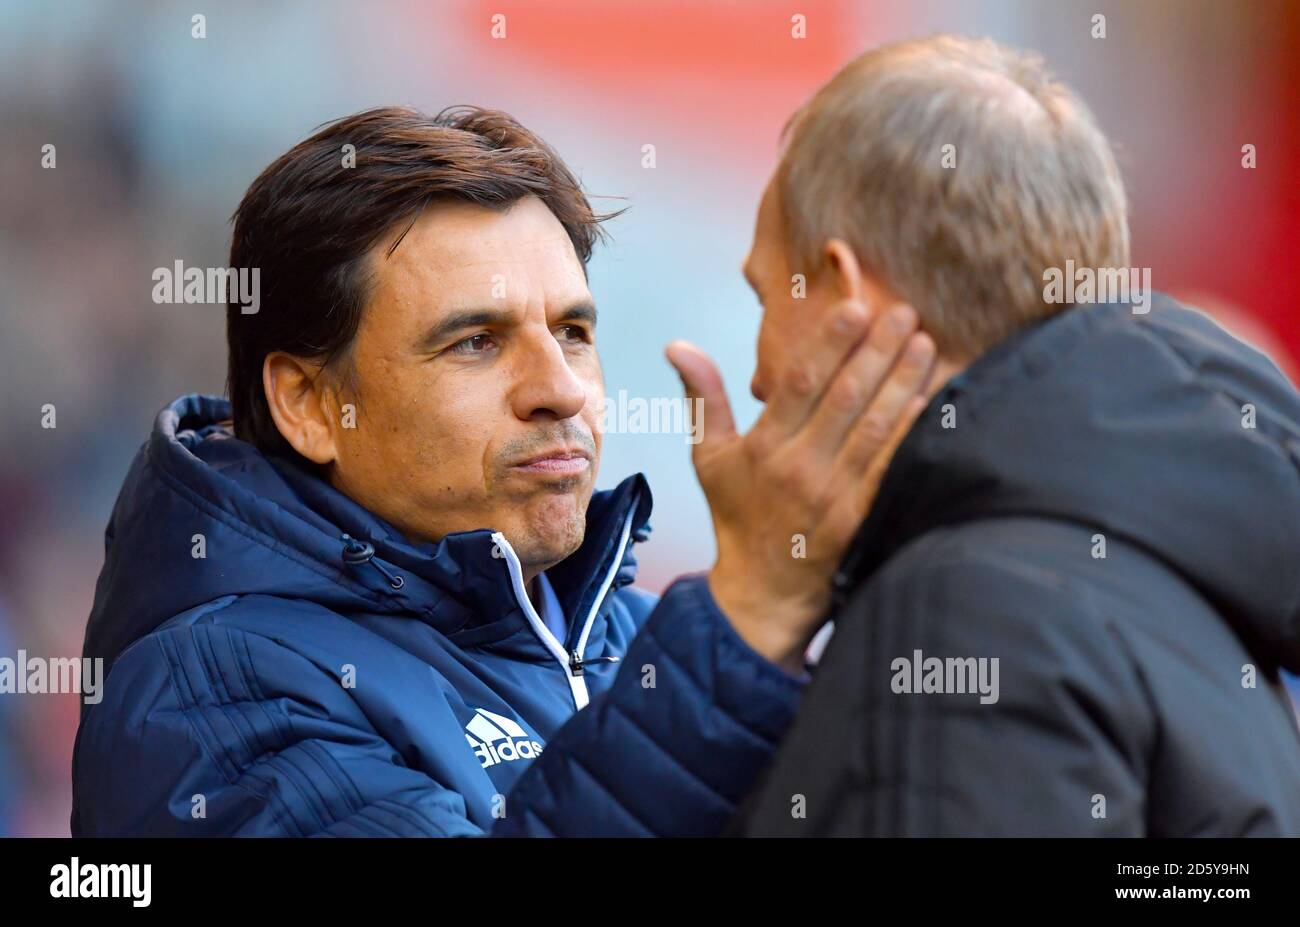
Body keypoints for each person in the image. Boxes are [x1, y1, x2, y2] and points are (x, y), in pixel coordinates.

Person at [71, 106, 936, 836]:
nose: (559, 389)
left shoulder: (635, 639)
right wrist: (748, 618)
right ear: (305, 402)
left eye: (573, 331)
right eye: (475, 341)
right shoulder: (205, 692)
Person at [731, 35, 1300, 836]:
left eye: (767, 296)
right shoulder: (1187, 599)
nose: (756, 376)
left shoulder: (961, 609)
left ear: (843, 295)